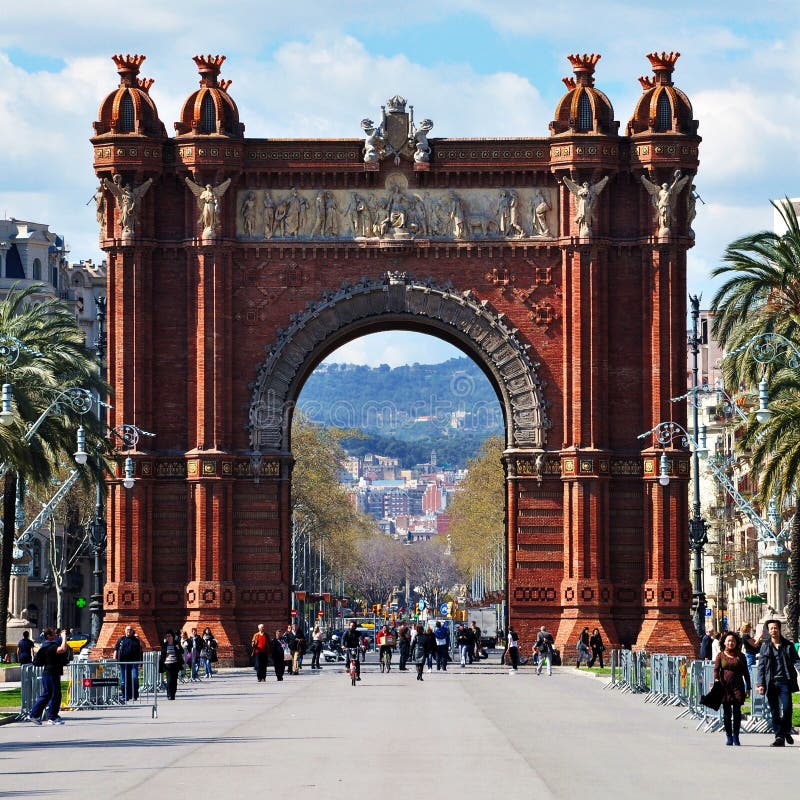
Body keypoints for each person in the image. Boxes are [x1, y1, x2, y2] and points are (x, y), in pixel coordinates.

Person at [756, 618, 800, 747]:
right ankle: (779, 736)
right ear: (768, 631)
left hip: (785, 682)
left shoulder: (788, 645)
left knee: (787, 709)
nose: (774, 630)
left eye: (776, 628)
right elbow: (761, 666)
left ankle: (785, 730)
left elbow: (796, 660)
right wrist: (761, 684)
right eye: (771, 628)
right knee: (774, 710)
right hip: (771, 683)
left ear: (779, 629)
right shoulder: (765, 646)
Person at [714, 631, 751, 746]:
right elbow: (716, 669)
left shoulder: (741, 656)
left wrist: (748, 688)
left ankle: (736, 736)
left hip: (738, 687)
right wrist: (716, 680)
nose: (731, 643)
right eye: (729, 641)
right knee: (726, 713)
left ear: (736, 643)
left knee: (737, 713)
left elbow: (746, 673)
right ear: (724, 642)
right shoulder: (720, 655)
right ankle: (729, 736)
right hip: (725, 687)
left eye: (733, 641)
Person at [29, 628, 71, 724]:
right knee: (52, 695)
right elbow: (62, 649)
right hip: (50, 673)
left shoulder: (48, 645)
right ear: (48, 636)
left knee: (50, 695)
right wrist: (64, 637)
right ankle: (49, 717)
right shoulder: (49, 646)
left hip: (51, 673)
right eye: (53, 634)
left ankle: (39, 715)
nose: (55, 635)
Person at [114, 625, 143, 701]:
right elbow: (116, 650)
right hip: (123, 663)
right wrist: (114, 661)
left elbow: (144, 646)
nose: (129, 631)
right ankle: (125, 696)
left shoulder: (136, 640)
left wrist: (139, 638)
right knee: (123, 680)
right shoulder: (121, 639)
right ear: (125, 631)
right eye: (127, 630)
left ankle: (134, 695)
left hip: (134, 663)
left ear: (132, 631)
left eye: (130, 630)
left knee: (134, 678)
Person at [159, 630, 184, 701]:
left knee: (174, 680)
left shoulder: (176, 643)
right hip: (167, 664)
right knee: (169, 680)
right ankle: (169, 694)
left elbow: (182, 651)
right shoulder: (164, 645)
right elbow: (162, 655)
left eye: (169, 636)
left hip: (175, 664)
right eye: (167, 636)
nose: (168, 637)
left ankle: (173, 694)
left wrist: (178, 647)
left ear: (172, 636)